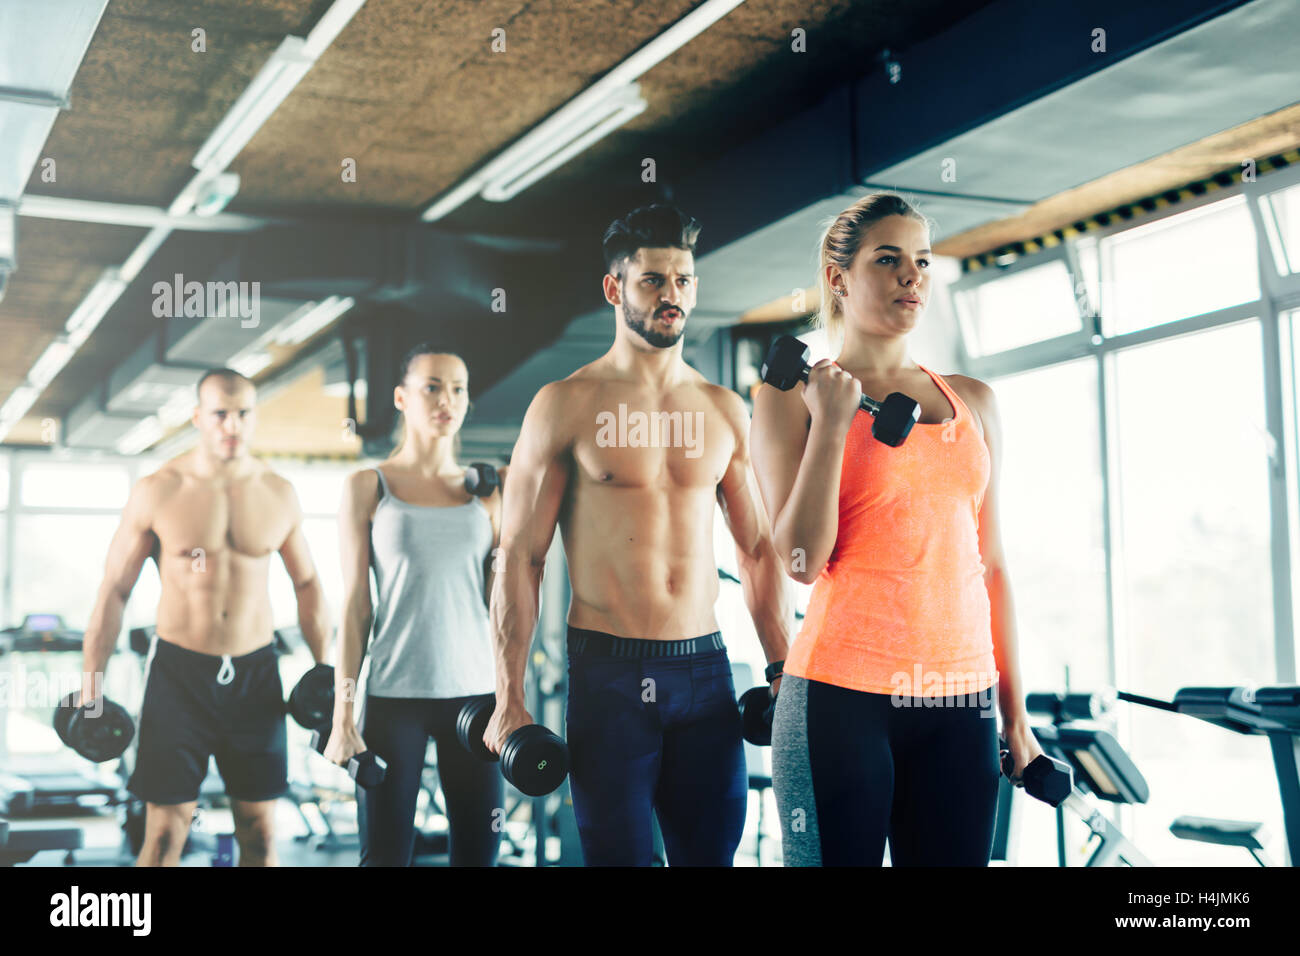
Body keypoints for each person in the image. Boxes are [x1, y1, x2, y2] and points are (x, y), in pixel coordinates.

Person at [486, 203, 792, 866]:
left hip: (705, 673)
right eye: (653, 280)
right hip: (610, 677)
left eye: (683, 280)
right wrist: (509, 696)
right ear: (614, 288)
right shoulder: (565, 405)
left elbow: (759, 549)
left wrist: (781, 667)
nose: (671, 295)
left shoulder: (721, 409)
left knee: (710, 857)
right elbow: (520, 556)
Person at [750, 192, 1044, 866]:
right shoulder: (790, 397)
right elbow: (799, 557)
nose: (912, 276)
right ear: (838, 278)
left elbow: (991, 566)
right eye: (888, 260)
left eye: (921, 261)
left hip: (959, 698)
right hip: (839, 698)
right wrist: (831, 422)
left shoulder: (974, 401)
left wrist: (1015, 716)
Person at [79, 368, 332, 866]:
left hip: (256, 676)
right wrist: (92, 685)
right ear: (198, 417)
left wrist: (326, 674)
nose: (232, 425)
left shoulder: (277, 491)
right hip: (179, 677)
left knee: (260, 833)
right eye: (220, 414)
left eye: (243, 414)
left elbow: (308, 584)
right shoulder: (160, 490)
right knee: (165, 834)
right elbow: (114, 591)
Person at [327, 345, 504, 866]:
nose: (446, 399)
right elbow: (355, 608)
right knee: (383, 856)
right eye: (432, 386)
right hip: (394, 693)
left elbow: (503, 607)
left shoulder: (490, 493)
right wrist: (343, 716)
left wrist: (511, 695)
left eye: (457, 388)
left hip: (475, 695)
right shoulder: (368, 486)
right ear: (402, 398)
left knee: (478, 854)